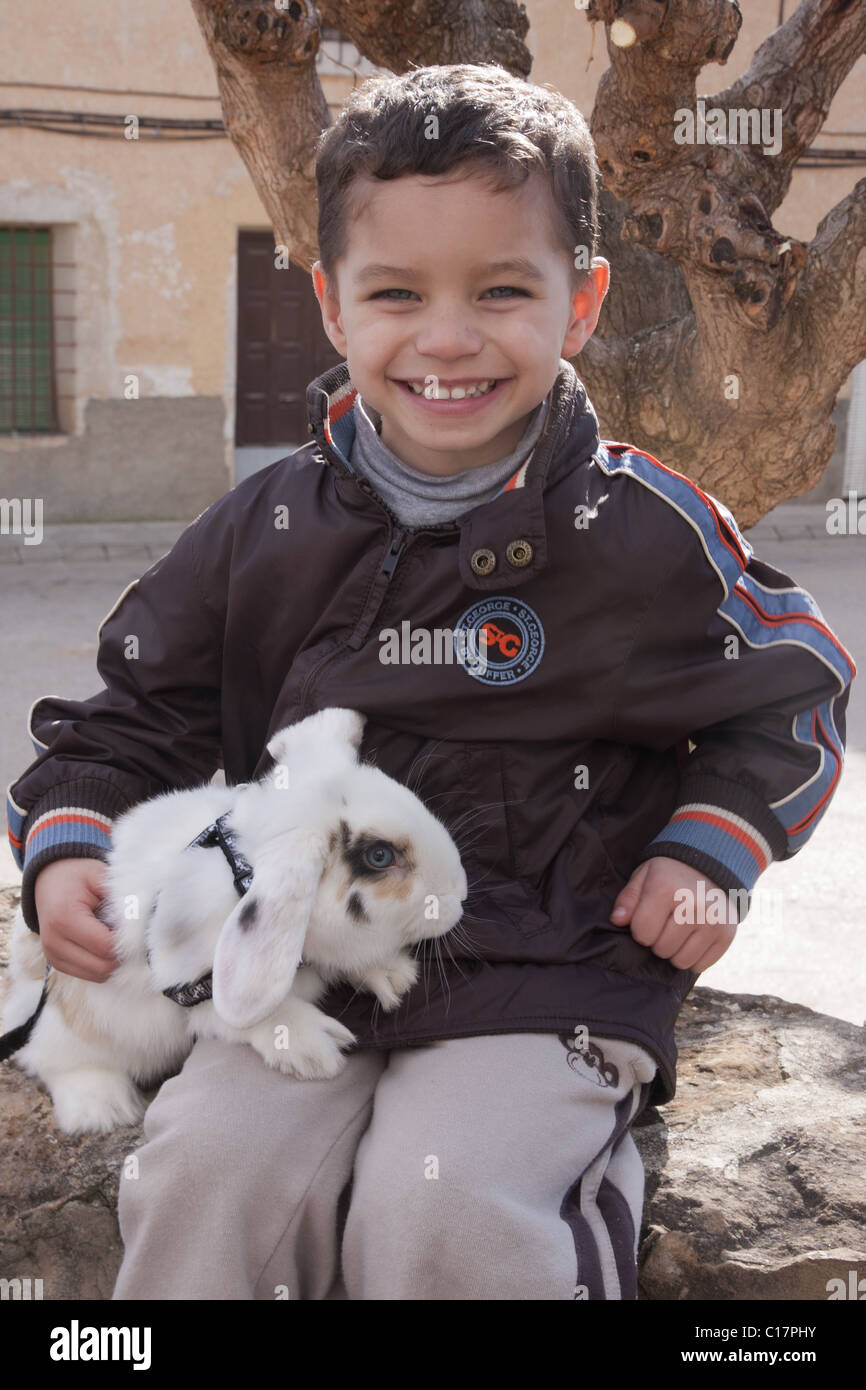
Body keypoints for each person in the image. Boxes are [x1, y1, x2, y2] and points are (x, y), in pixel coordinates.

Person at [6, 64, 854, 1301]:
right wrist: (68, 841)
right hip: (292, 961)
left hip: (549, 966)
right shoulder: (265, 526)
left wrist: (706, 847)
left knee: (442, 1199)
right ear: (333, 309)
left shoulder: (642, 530)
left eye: (502, 291)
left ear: (580, 303)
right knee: (210, 1171)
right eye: (396, 292)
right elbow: (136, 708)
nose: (446, 337)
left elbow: (794, 691)